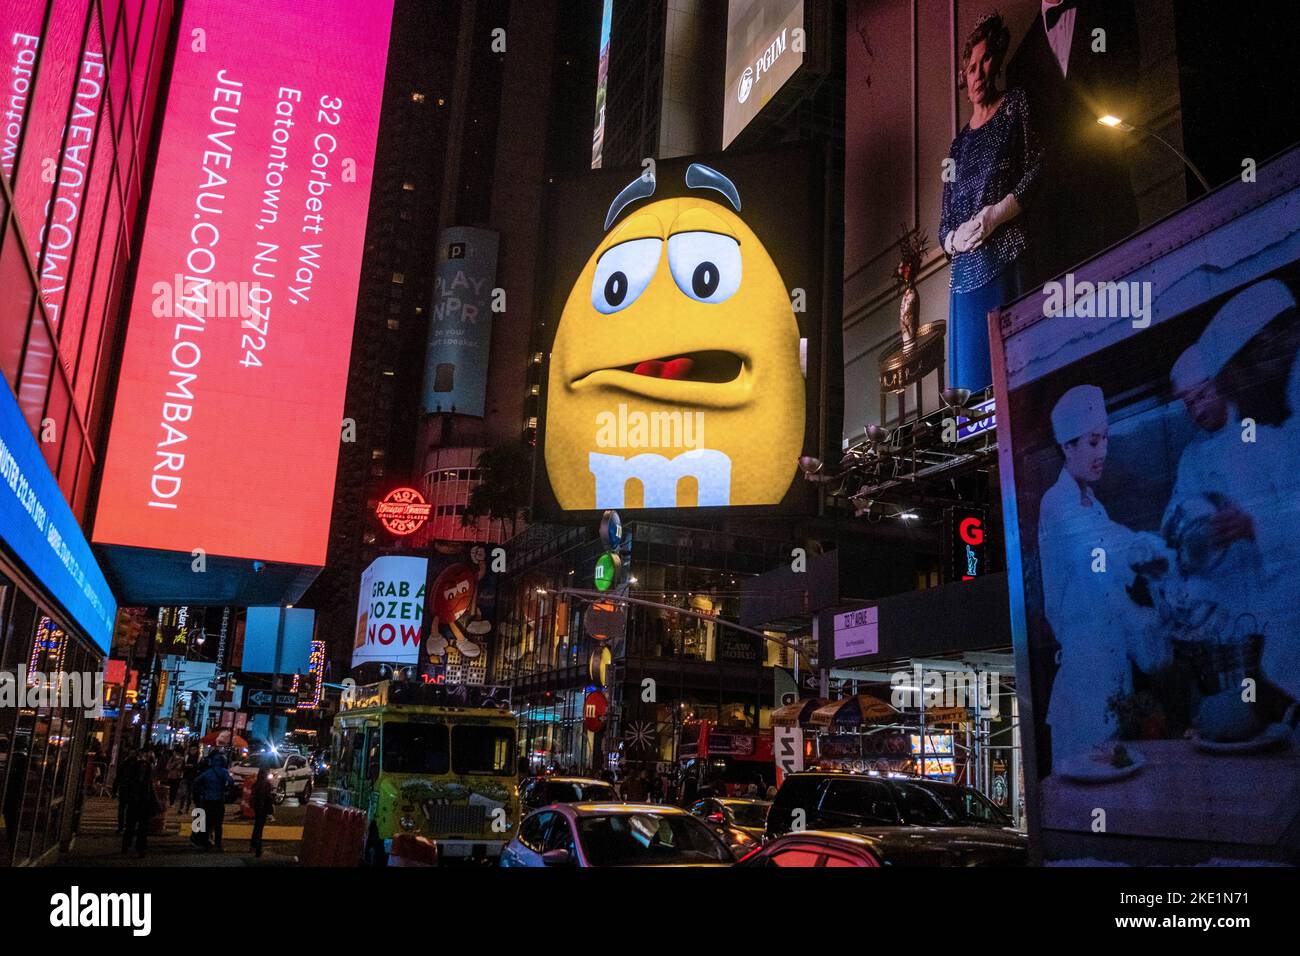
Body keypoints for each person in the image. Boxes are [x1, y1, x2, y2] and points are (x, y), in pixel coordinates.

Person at [1037, 385, 1163, 765]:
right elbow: (1099, 550)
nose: (1103, 452)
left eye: (1105, 440)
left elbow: (1114, 569)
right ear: (1067, 447)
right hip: (1085, 677)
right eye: (1093, 442)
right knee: (1086, 779)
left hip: (1113, 675)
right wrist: (1144, 549)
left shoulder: (1096, 506)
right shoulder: (1057, 504)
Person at [940, 11, 1043, 393]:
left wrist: (997, 214)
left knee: (1014, 382)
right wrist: (955, 240)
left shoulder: (1016, 105)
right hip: (964, 284)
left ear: (997, 61)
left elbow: (1038, 169)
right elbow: (943, 227)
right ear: (963, 78)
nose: (979, 72)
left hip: (1009, 261)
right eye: (971, 66)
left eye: (985, 61)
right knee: (970, 396)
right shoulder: (956, 147)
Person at [1007, 0, 1140, 285]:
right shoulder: (1019, 66)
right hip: (1053, 224)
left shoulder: (1109, 10)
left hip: (1107, 191)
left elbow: (1127, 75)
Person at [192, 751, 233, 850]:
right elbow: (231, 782)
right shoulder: (224, 771)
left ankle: (205, 842)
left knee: (207, 822)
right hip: (218, 800)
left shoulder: (208, 772)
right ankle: (218, 844)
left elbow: (196, 782)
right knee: (218, 824)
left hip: (207, 800)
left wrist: (203, 790)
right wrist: (224, 788)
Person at [120, 753, 158, 858]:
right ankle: (133, 846)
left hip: (140, 804)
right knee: (134, 827)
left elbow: (151, 791)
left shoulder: (140, 780)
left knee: (138, 827)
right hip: (138, 803)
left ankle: (137, 847)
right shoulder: (139, 780)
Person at [250, 767, 276, 858]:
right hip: (263, 808)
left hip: (257, 808)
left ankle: (254, 845)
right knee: (259, 828)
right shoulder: (266, 785)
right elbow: (268, 798)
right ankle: (258, 848)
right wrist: (270, 811)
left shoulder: (256, 784)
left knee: (257, 826)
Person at [112, 747, 139, 833]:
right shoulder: (138, 765)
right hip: (132, 789)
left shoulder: (125, 764)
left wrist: (114, 790)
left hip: (125, 788)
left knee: (123, 809)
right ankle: (128, 826)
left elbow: (118, 777)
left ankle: (121, 827)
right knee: (130, 809)